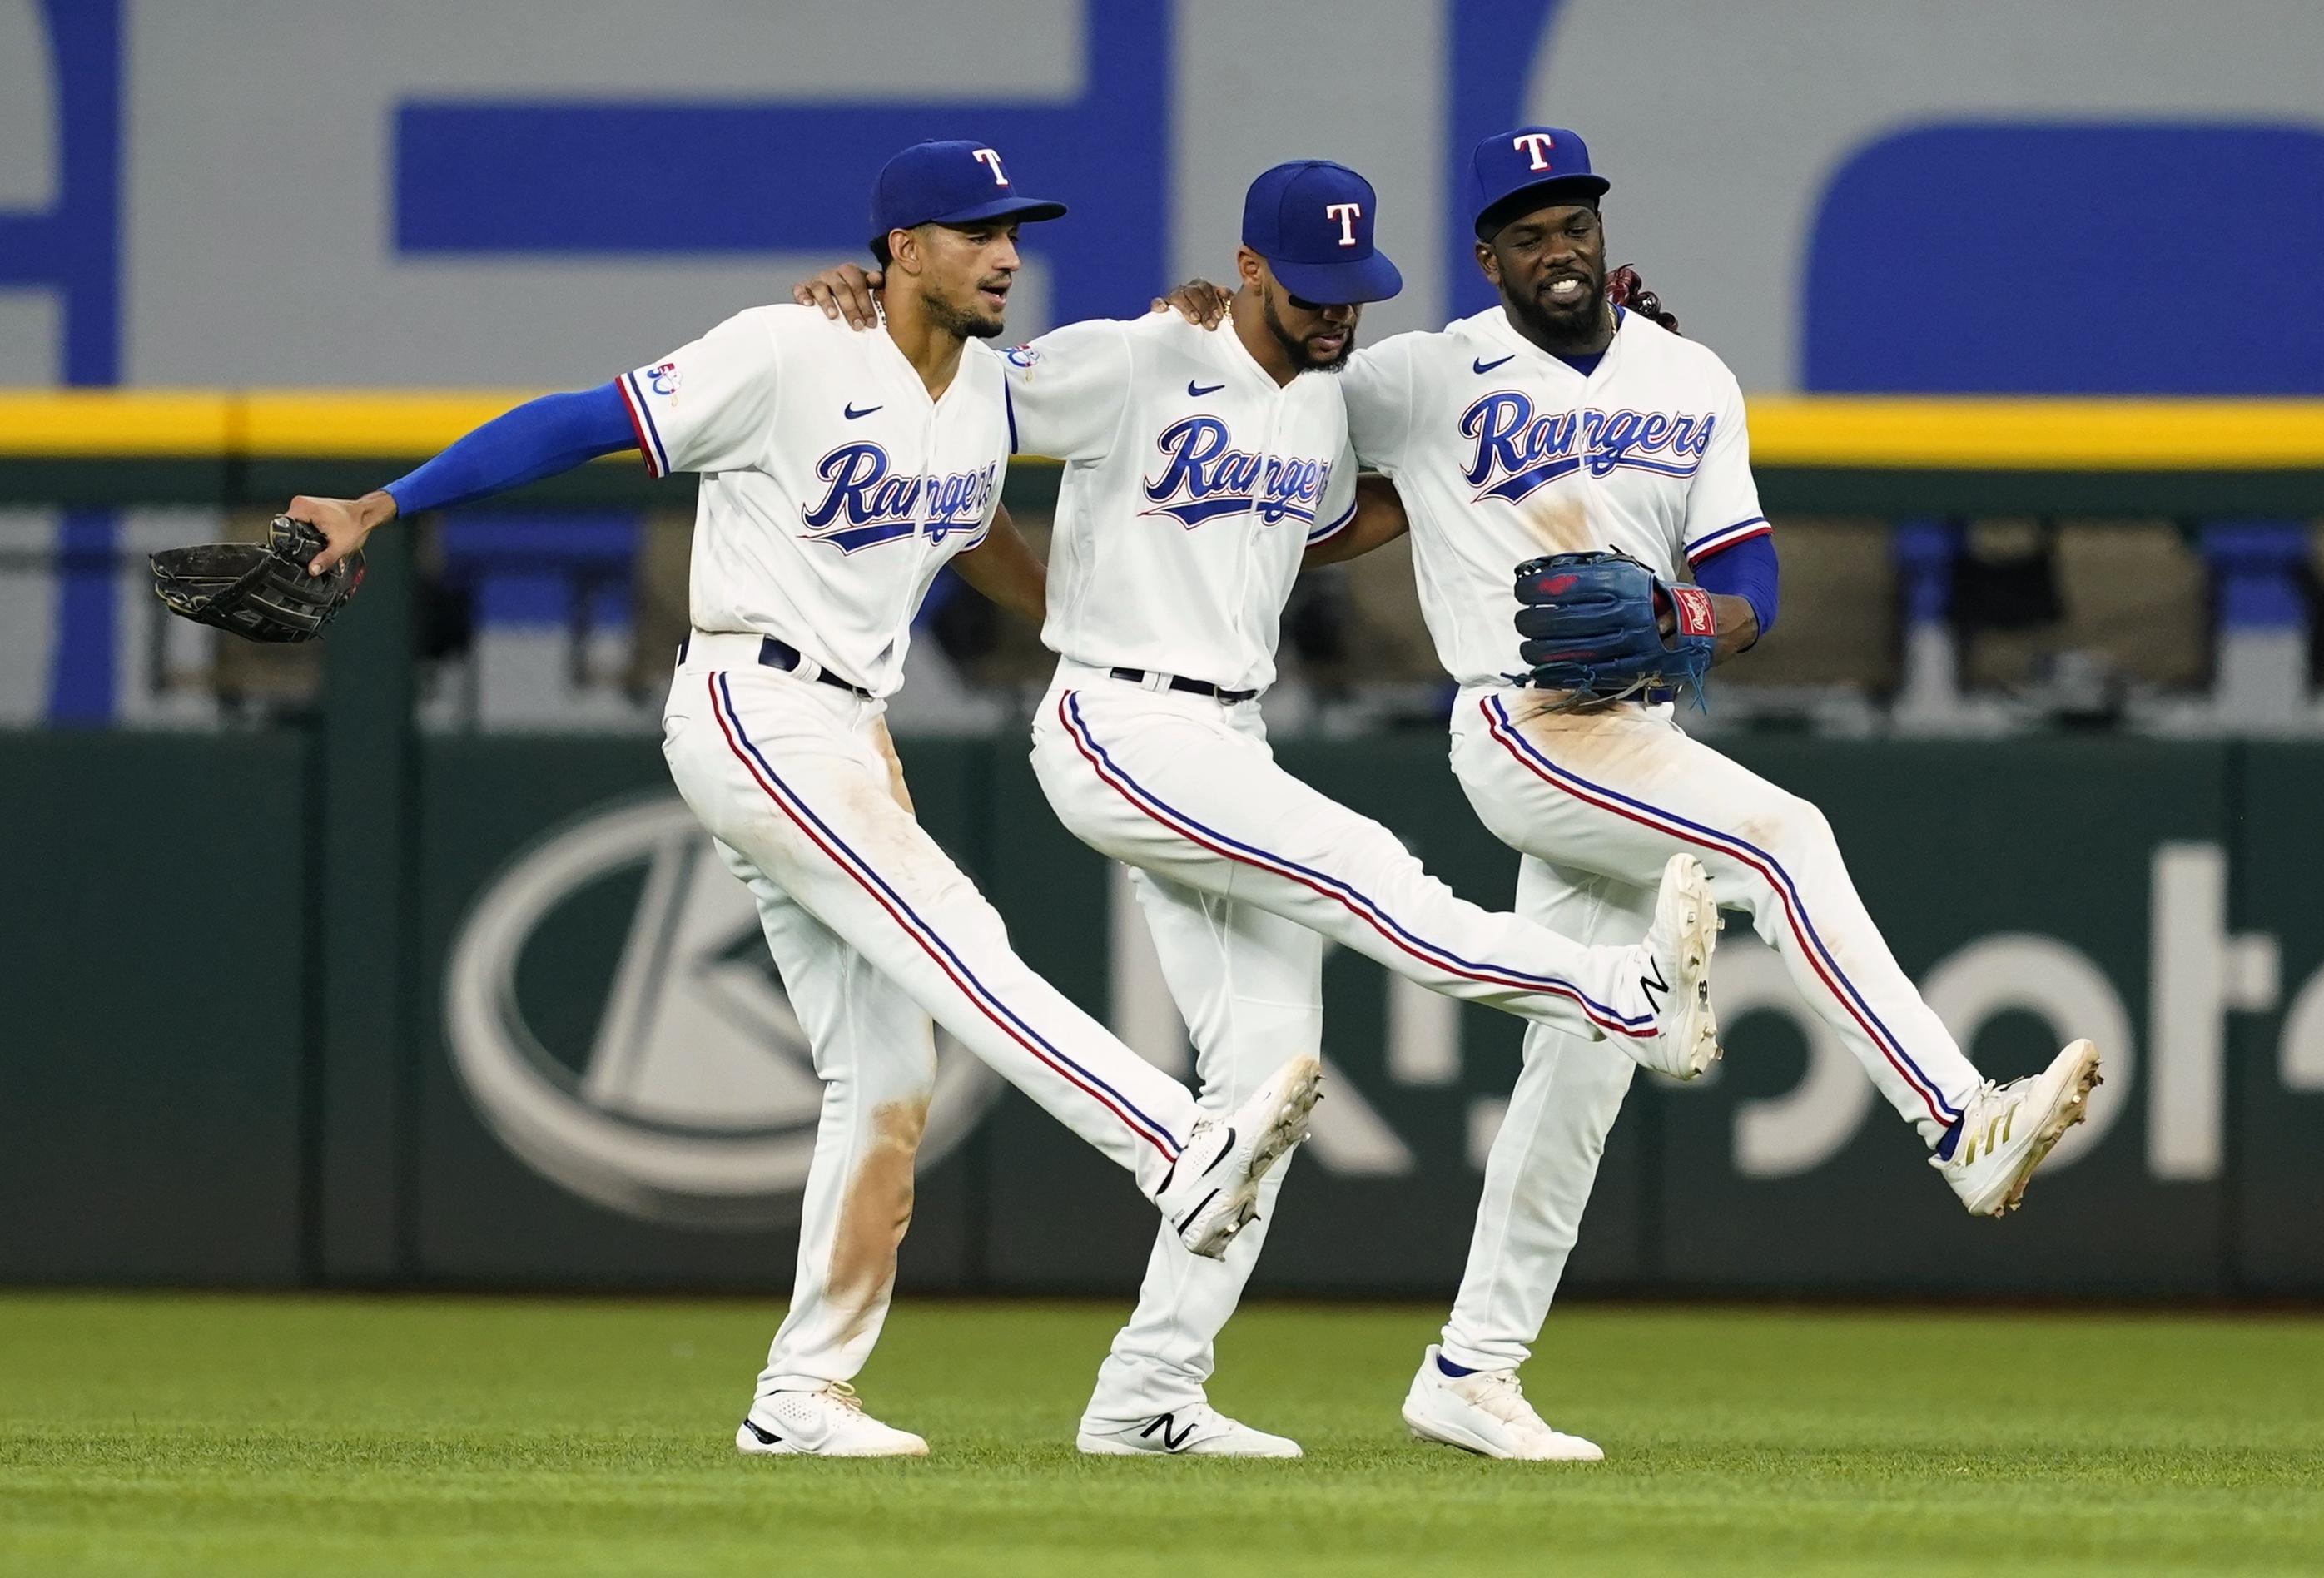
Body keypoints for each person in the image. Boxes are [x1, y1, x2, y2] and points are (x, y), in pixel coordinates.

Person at [280, 139, 1323, 1461]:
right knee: (956, 931)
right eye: (974, 232)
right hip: (751, 698)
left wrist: (1180, 363)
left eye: (1014, 232)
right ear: (903, 249)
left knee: (888, 1067)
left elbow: (981, 533)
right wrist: (385, 502)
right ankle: (1172, 1145)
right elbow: (579, 420)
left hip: (850, 724)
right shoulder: (787, 349)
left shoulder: (984, 394)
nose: (1006, 254)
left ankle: (801, 1396)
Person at [792, 160, 1721, 1461]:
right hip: (1120, 718)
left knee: (1272, 1075)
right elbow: (949, 387)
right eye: (1312, 290)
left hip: (1225, 725)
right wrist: (866, 295)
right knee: (1363, 870)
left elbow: (1376, 510)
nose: (1338, 314)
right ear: (1247, 268)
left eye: (1356, 291)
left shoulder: (1333, 401)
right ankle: (1617, 994)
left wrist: (1621, 385)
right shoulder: (1137, 356)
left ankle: (1148, 1394)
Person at [1222, 125, 2100, 1458]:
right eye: (1526, 231)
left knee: (1577, 1068)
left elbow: (1752, 585)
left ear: (1601, 230)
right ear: (1488, 256)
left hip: (1635, 724)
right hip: (1524, 721)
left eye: (1572, 220)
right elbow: (1259, 390)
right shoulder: (1424, 374)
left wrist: (1692, 617)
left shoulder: (1688, 374)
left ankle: (1471, 1369)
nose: (1556, 246)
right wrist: (1196, 317)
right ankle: (1958, 1119)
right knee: (1784, 840)